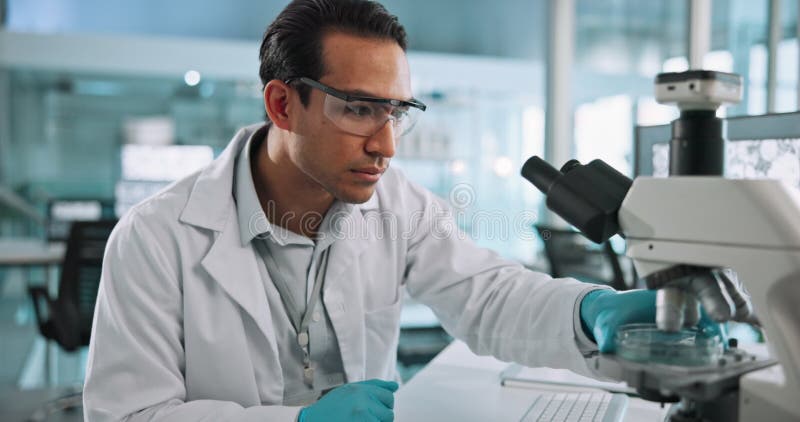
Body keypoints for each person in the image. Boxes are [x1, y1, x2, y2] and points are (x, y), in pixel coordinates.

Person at [82, 1, 720, 421]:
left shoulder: (395, 203)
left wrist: (588, 311)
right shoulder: (155, 239)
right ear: (282, 105)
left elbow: (486, 296)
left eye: (397, 113)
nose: (385, 145)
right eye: (359, 109)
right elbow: (127, 415)